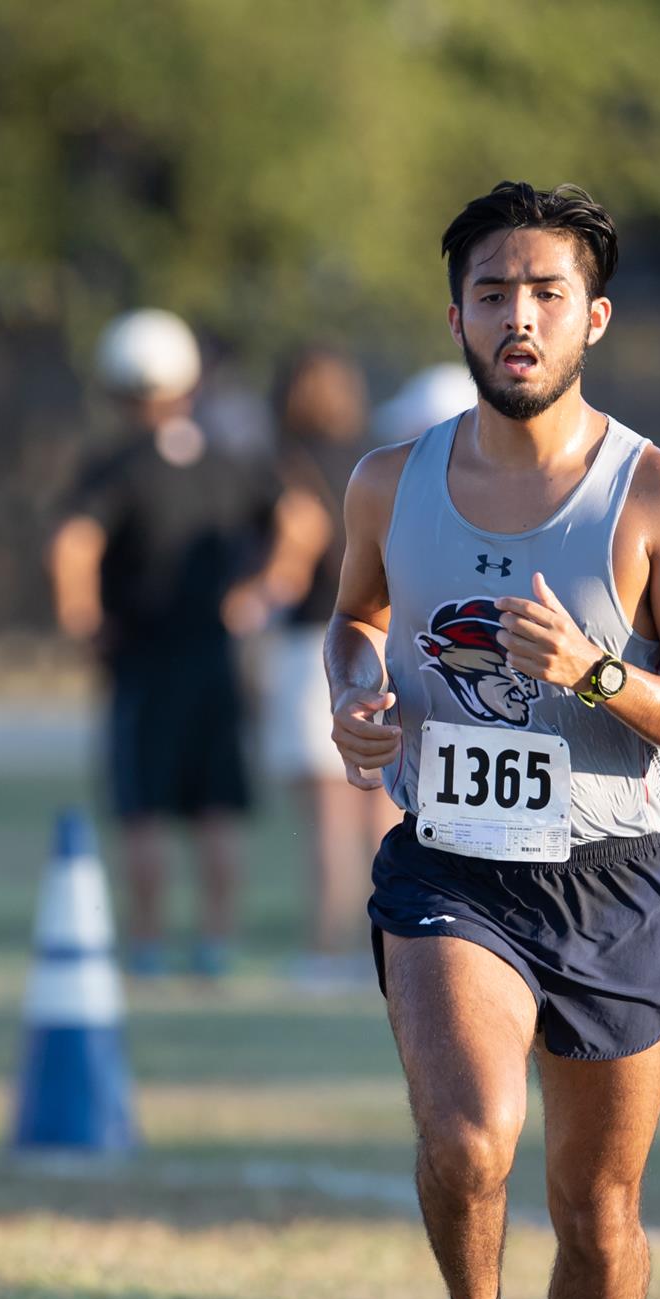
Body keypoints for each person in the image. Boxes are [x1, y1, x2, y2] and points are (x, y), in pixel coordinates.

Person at [322, 181, 660, 1299]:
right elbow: (353, 619)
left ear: (594, 318)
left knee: (599, 1209)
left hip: (612, 880)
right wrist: (357, 699)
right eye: (494, 292)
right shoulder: (389, 478)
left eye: (547, 292)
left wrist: (598, 672)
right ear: (456, 316)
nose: (520, 317)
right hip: (451, 868)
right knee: (469, 1136)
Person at [48, 307, 327, 977]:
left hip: (142, 657)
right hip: (218, 657)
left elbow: (72, 545)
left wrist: (82, 618)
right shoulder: (228, 459)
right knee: (217, 809)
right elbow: (304, 520)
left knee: (142, 808)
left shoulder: (112, 465)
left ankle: (145, 945)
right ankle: (215, 944)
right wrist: (268, 586)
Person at [265, 348, 392, 990]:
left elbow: (300, 529)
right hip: (385, 637)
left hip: (320, 639)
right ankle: (395, 947)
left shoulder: (289, 461)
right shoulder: (378, 459)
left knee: (329, 813)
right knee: (385, 809)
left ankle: (328, 950)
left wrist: (264, 591)